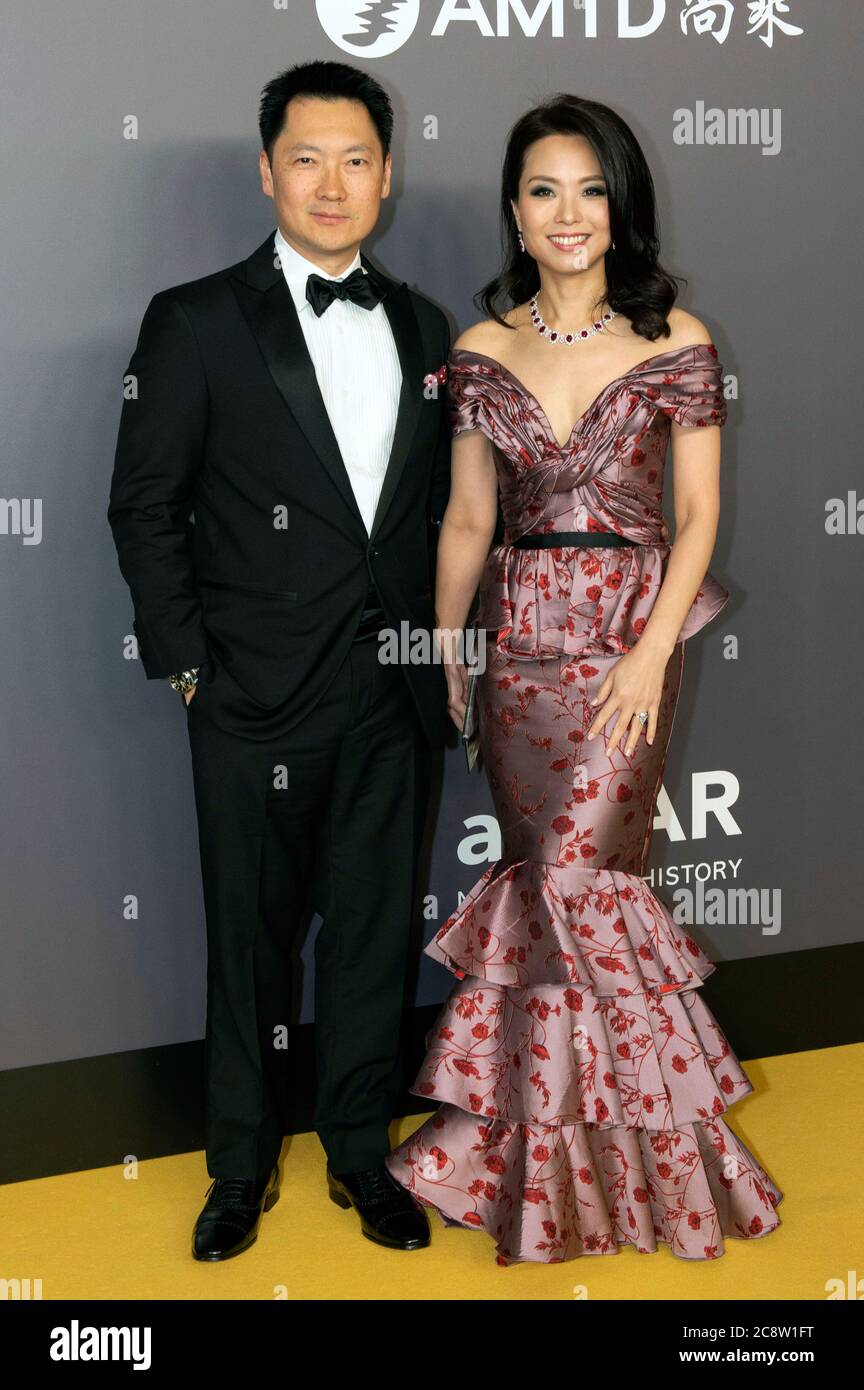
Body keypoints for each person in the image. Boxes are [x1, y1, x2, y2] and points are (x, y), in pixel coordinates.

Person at [385, 94, 783, 1266]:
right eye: (545, 189)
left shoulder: (676, 340)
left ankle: (608, 1165)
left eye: (591, 189)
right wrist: (450, 642)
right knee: (541, 896)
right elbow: (466, 515)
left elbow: (699, 515)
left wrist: (653, 652)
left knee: (582, 888)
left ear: (621, 207)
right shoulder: (481, 349)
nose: (569, 213)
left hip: (625, 643)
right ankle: (557, 1167)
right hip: (517, 648)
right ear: (515, 208)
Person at [108, 60, 451, 1260]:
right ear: (267, 171)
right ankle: (238, 1166)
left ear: (387, 176)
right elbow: (143, 508)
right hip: (249, 699)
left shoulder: (423, 327)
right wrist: (191, 668)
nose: (332, 181)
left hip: (389, 697)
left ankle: (363, 1151)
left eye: (357, 158)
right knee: (247, 944)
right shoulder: (194, 320)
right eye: (306, 157)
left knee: (371, 939)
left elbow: (433, 517)